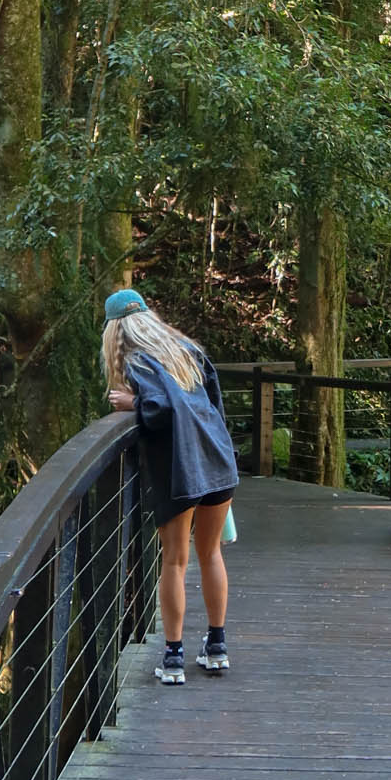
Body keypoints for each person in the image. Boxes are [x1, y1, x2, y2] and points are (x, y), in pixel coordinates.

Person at [102, 289, 238, 686]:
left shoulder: (136, 360)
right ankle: (216, 648)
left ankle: (174, 657)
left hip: (181, 468)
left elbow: (160, 409)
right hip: (216, 459)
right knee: (211, 553)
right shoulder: (184, 349)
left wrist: (134, 403)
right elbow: (212, 402)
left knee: (175, 561)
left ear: (115, 329)